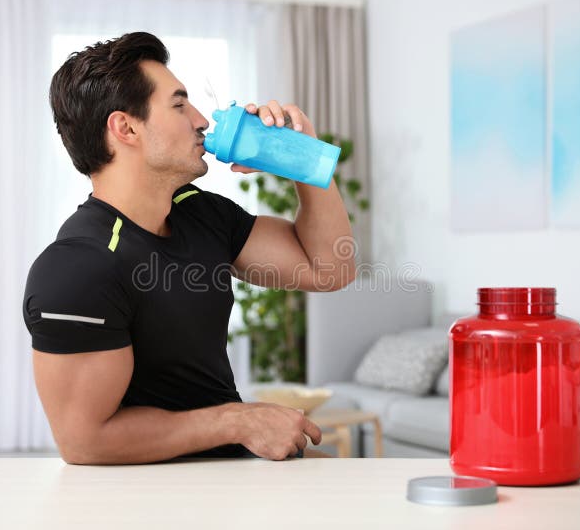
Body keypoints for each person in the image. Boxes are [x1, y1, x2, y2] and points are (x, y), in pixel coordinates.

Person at [22, 32, 356, 464]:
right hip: (149, 493)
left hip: (232, 472)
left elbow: (329, 270)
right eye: (179, 105)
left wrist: (307, 161)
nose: (201, 119)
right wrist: (238, 421)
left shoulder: (200, 213)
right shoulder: (76, 267)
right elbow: (85, 441)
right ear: (125, 128)